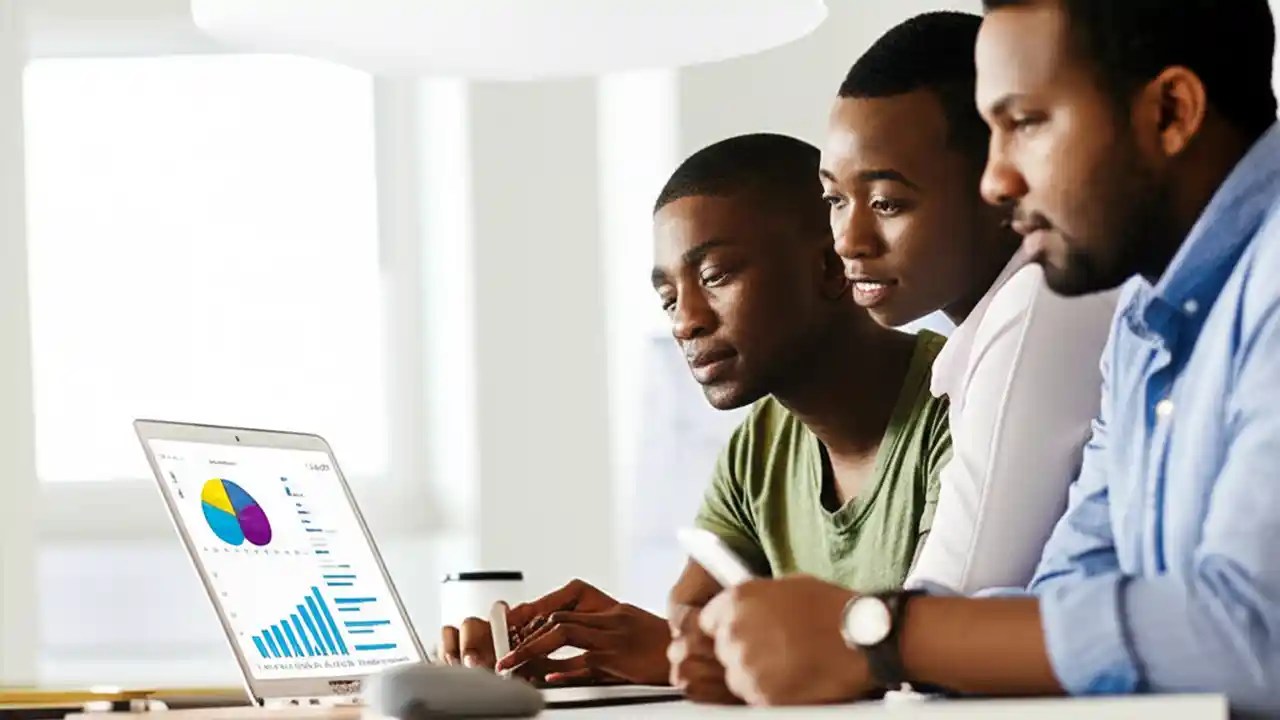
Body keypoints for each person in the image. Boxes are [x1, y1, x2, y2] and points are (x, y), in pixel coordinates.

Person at [698, 0, 1280, 713]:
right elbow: (1070, 590)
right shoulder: (1140, 314)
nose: (995, 181)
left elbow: (1255, 634)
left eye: (1025, 124)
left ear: (1169, 112)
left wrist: (878, 635)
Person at [439, 133, 952, 701]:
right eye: (668, 298)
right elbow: (691, 608)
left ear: (832, 268)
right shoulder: (758, 446)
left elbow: (937, 645)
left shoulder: (956, 404)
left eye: (714, 277)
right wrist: (588, 651)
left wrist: (673, 648)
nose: (685, 322)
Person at [819, 10, 1117, 594]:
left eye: (886, 203)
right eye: (833, 198)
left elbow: (951, 598)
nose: (848, 242)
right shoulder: (997, 324)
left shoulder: (1037, 305)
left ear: (996, 183)